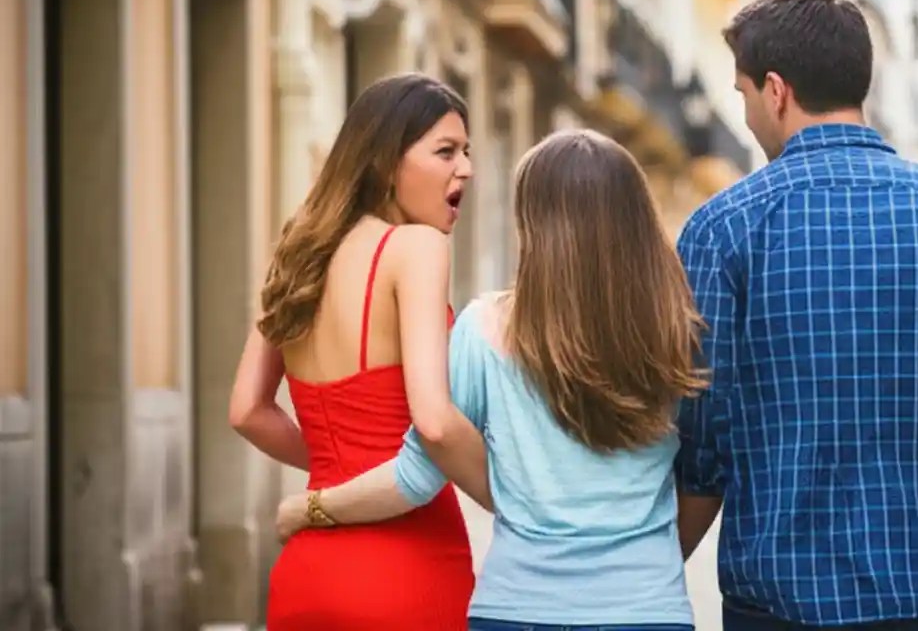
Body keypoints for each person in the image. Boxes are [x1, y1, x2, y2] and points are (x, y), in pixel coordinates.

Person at [673, 0, 918, 631]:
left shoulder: (722, 232)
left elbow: (703, 439)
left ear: (775, 91)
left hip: (775, 610)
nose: (744, 114)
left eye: (742, 94)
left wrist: (654, 569)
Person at [274, 129, 704, 631]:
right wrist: (647, 570)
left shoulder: (481, 331)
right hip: (648, 611)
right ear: (638, 220)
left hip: (517, 610)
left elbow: (415, 475)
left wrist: (309, 510)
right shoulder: (685, 333)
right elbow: (706, 473)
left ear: (531, 224)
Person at [229, 73, 490, 630]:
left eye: (466, 152)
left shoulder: (300, 251)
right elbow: (436, 424)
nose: (465, 168)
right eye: (445, 151)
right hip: (408, 568)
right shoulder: (416, 248)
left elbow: (247, 411)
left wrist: (335, 468)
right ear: (386, 161)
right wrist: (512, 493)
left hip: (308, 573)